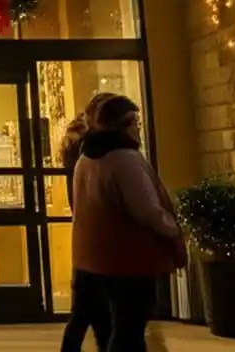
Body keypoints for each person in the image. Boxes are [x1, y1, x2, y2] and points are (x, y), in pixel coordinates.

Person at [71, 94, 186, 352]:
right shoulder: (125, 160)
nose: (138, 129)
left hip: (94, 259)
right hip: (128, 259)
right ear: (121, 126)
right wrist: (172, 228)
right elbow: (146, 209)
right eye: (134, 123)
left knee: (110, 330)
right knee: (129, 330)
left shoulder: (85, 159)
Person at [59, 93, 116, 352]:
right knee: (93, 313)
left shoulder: (76, 155)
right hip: (98, 241)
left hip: (85, 239)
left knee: (84, 313)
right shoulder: (91, 156)